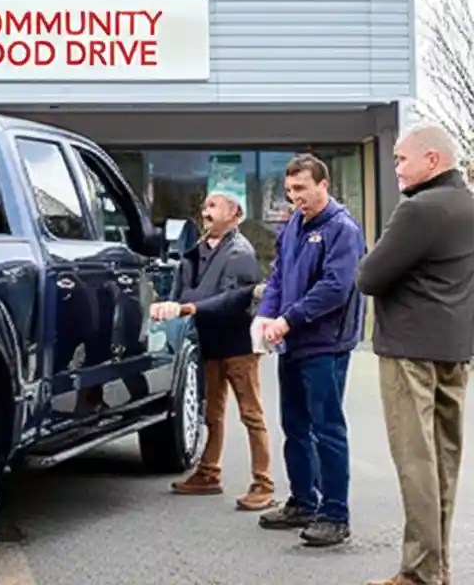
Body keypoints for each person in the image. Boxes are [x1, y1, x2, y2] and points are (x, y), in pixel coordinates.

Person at [356, 124, 474, 585]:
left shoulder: (419, 211)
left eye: (402, 160)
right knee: (444, 460)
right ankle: (437, 567)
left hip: (410, 352)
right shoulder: (467, 206)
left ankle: (421, 573)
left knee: (416, 462)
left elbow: (369, 276)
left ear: (432, 160)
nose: (397, 169)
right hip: (454, 350)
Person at [254, 153, 365, 547]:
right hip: (292, 342)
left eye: (301, 189)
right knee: (295, 426)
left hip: (325, 345)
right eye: (289, 191)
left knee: (327, 429)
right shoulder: (294, 226)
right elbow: (279, 277)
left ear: (324, 185)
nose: (294, 198)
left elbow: (335, 288)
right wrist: (267, 316)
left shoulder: (343, 230)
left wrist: (289, 319)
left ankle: (335, 514)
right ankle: (303, 500)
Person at [150, 191, 273, 511]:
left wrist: (187, 305)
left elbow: (233, 299)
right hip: (210, 344)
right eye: (204, 206)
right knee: (212, 413)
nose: (205, 212)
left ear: (235, 214)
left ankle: (263, 482)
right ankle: (208, 473)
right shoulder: (195, 251)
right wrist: (178, 304)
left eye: (213, 206)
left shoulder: (241, 252)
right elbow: (187, 292)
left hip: (239, 347)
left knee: (251, 414)